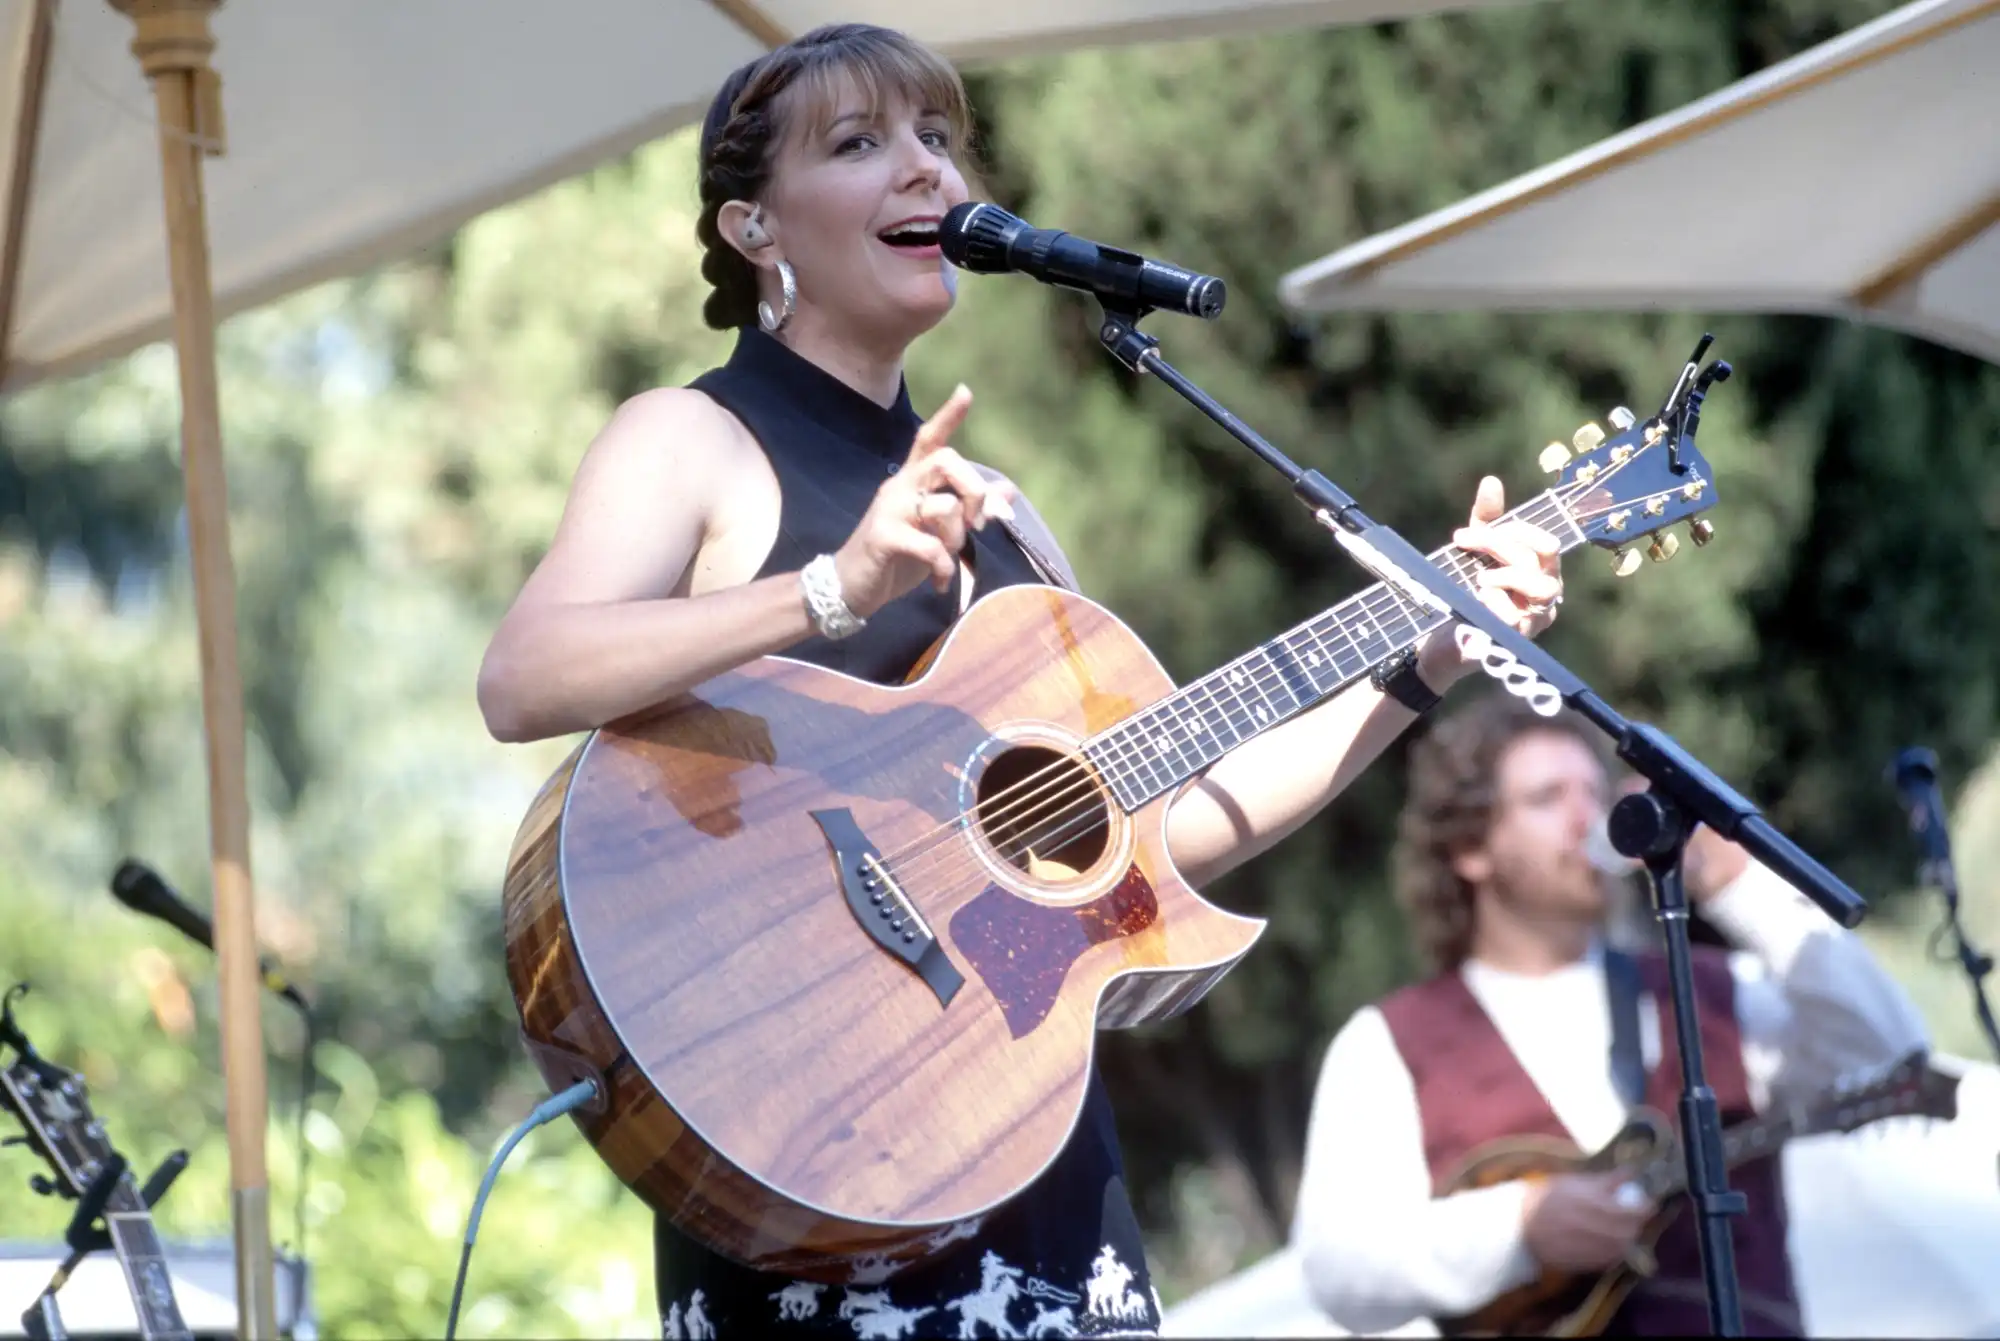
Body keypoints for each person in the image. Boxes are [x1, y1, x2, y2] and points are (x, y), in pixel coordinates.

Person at [476, 24, 1564, 1339]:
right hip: (805, 1165)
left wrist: (1426, 652)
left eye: (940, 138)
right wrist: (832, 591)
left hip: (1038, 1183)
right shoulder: (693, 439)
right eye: (862, 143)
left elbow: (1159, 827)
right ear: (755, 226)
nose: (928, 171)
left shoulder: (1004, 519)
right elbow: (525, 676)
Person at [1291, 693, 1931, 1337]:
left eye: (1593, 794)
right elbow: (1338, 1268)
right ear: (1468, 849)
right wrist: (1518, 1227)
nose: (1586, 819)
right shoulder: (1389, 1043)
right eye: (1547, 799)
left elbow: (1894, 1060)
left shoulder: (1714, 991)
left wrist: (1741, 883)